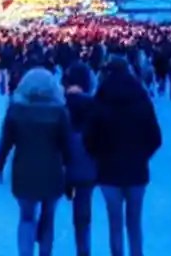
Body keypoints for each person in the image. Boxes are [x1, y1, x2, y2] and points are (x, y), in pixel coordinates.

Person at [84, 57, 162, 256]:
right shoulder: (142, 100)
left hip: (108, 171)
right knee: (134, 222)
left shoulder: (100, 102)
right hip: (136, 170)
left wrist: (98, 155)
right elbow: (155, 137)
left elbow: (89, 138)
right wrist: (142, 155)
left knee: (115, 222)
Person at [0, 67, 72, 256]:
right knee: (48, 217)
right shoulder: (59, 112)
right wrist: (70, 172)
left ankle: (25, 252)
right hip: (52, 171)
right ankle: (45, 252)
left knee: (26, 217)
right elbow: (67, 145)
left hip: (24, 170)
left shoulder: (16, 110)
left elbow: (6, 141)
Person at [62, 64, 98, 256]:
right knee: (83, 210)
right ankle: (83, 248)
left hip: (63, 164)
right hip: (87, 164)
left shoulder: (60, 105)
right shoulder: (92, 105)